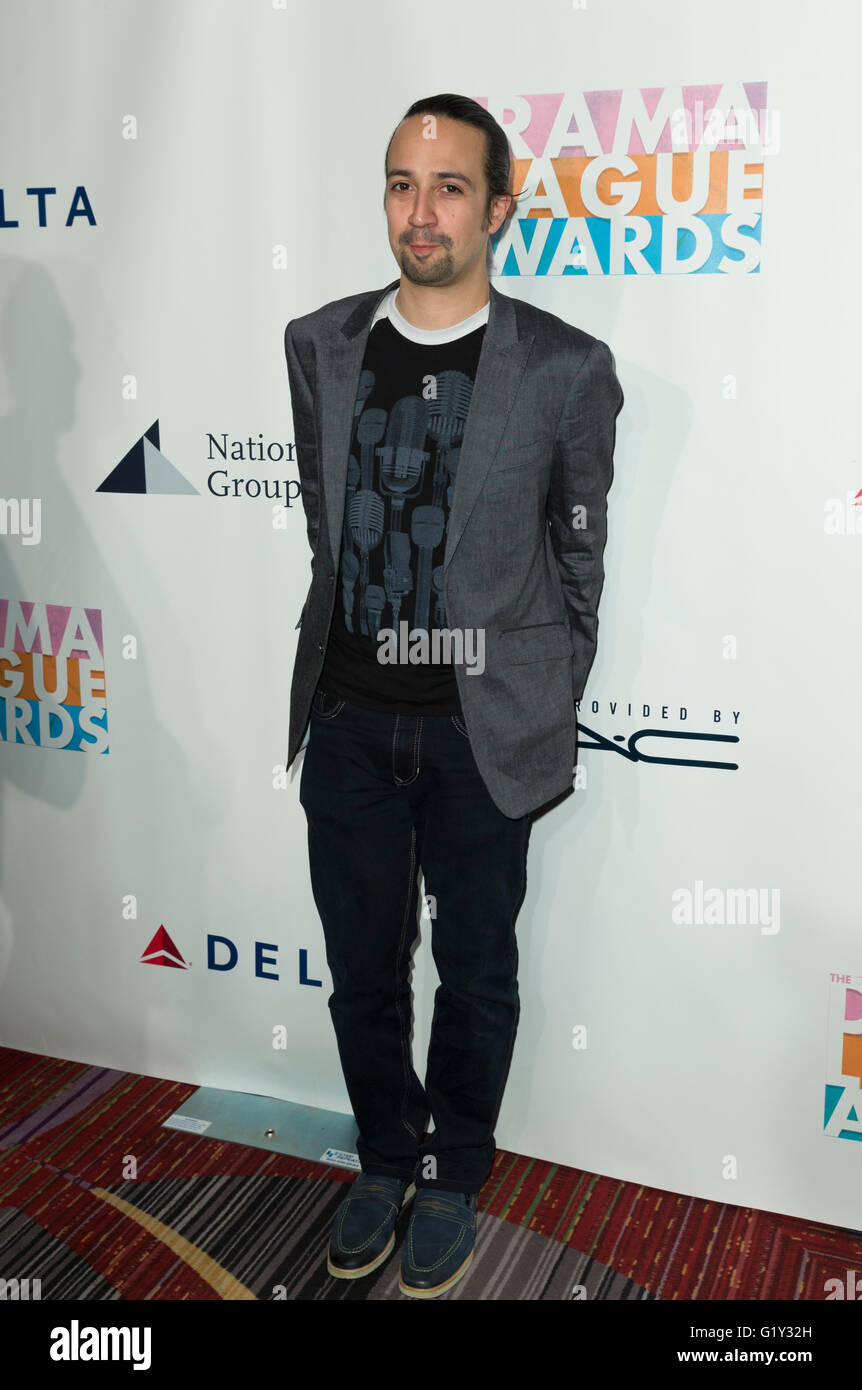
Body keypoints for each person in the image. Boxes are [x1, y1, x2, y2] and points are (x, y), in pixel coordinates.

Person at [283, 93, 623, 1298]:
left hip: (484, 736)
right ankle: (383, 1158)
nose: (418, 212)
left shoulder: (566, 366)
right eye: (398, 184)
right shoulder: (318, 343)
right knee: (363, 969)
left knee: (476, 970)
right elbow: (330, 536)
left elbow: (580, 555)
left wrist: (543, 689)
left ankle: (454, 1175)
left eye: (447, 187)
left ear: (499, 210)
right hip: (348, 723)